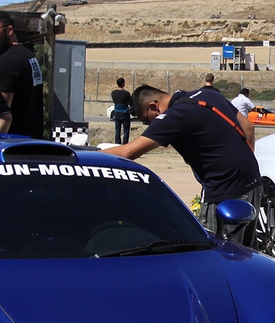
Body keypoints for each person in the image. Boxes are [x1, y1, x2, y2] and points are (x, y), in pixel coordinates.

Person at [106, 82, 259, 229]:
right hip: (253, 181)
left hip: (224, 192)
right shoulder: (209, 94)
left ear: (154, 107)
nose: (151, 125)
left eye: (147, 120)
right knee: (244, 246)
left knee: (214, 244)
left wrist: (92, 154)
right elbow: (248, 127)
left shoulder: (174, 115)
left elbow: (128, 152)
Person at [0, 11, 44, 138]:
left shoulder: (7, 62)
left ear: (9, 30)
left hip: (13, 141)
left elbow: (1, 111)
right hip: (32, 138)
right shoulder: (28, 56)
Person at [109, 76, 132, 144]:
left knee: (117, 131)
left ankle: (117, 144)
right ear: (123, 84)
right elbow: (130, 102)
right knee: (126, 131)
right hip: (125, 113)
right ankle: (125, 144)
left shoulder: (113, 93)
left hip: (117, 113)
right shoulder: (126, 93)